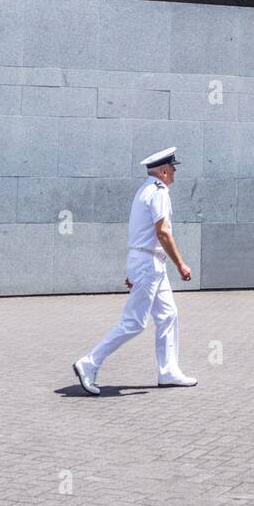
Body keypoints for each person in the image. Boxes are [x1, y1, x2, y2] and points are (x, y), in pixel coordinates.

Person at [72, 148, 197, 395]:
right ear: (163, 171)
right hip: (149, 265)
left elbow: (140, 234)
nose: (175, 171)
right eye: (172, 167)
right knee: (134, 322)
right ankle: (89, 363)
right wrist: (181, 264)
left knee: (168, 314)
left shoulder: (144, 190)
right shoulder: (160, 192)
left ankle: (168, 371)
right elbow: (163, 232)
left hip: (148, 263)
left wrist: (136, 270)